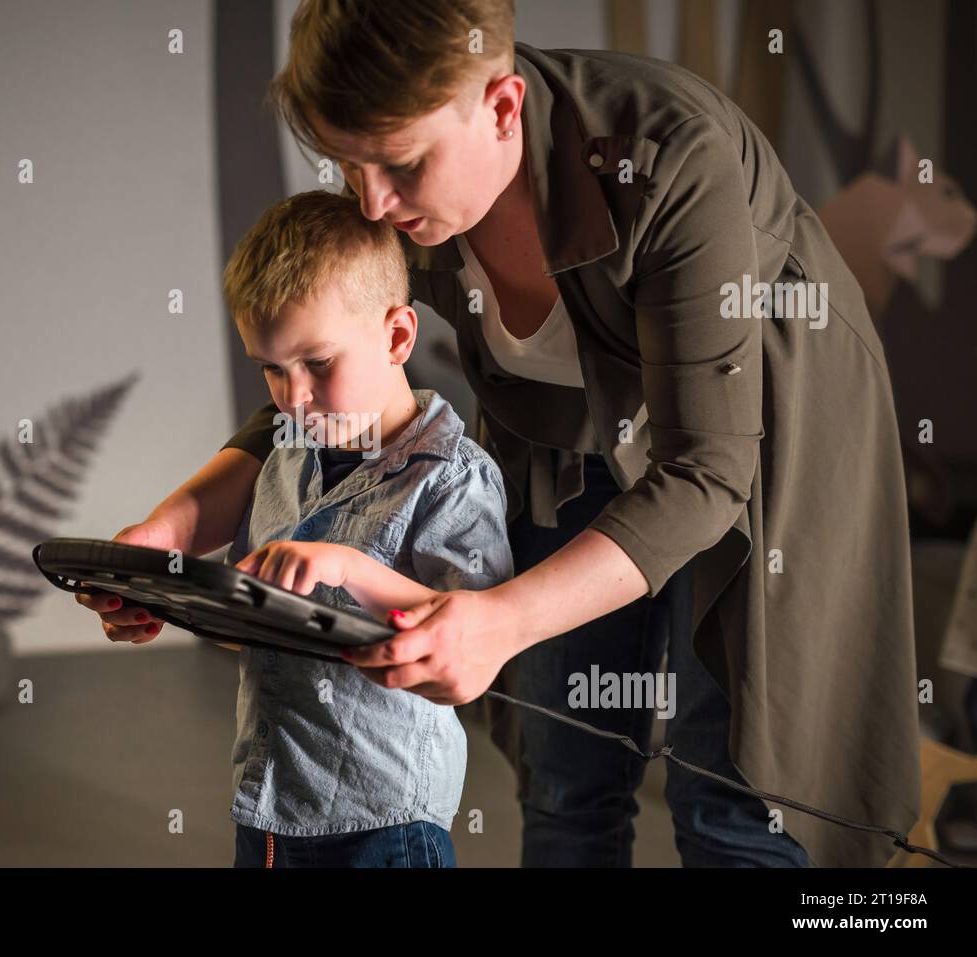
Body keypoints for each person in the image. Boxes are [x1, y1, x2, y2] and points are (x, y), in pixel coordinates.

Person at [80, 0, 919, 867]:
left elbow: (705, 470)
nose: (370, 201)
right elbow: (328, 375)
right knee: (564, 779)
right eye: (346, 163)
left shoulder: (669, 155)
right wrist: (174, 530)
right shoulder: (398, 189)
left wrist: (499, 620)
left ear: (505, 109)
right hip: (566, 442)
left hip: (752, 447)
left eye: (400, 165)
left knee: (732, 794)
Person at [86, 189, 513, 867]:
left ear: (398, 335)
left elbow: (471, 639)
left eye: (318, 364)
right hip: (271, 804)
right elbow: (253, 608)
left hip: (386, 824)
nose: (294, 396)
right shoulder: (285, 454)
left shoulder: (455, 479)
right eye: (272, 371)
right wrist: (161, 589)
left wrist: (344, 567)